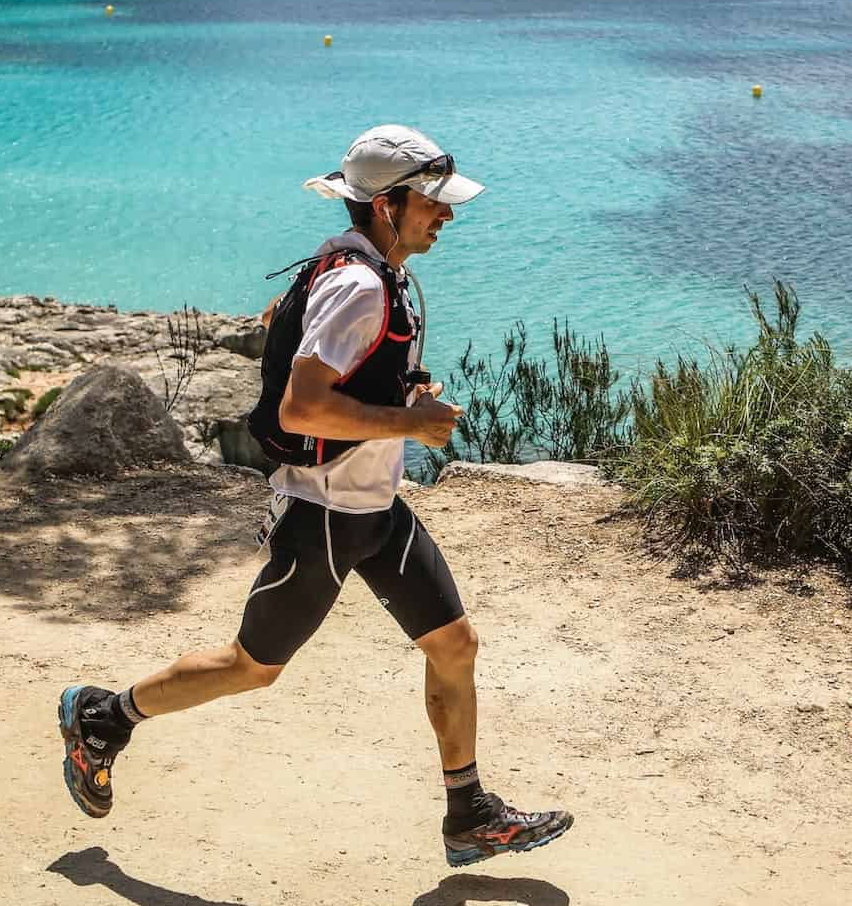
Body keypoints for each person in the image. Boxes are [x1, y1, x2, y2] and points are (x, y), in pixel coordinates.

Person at [56, 125, 573, 868]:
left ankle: (468, 813)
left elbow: (338, 373)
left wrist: (402, 392)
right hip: (320, 515)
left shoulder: (380, 271)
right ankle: (103, 716)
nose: (446, 216)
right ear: (387, 205)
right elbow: (301, 408)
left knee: (454, 645)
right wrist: (411, 422)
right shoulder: (359, 284)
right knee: (251, 668)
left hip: (376, 509)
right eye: (432, 202)